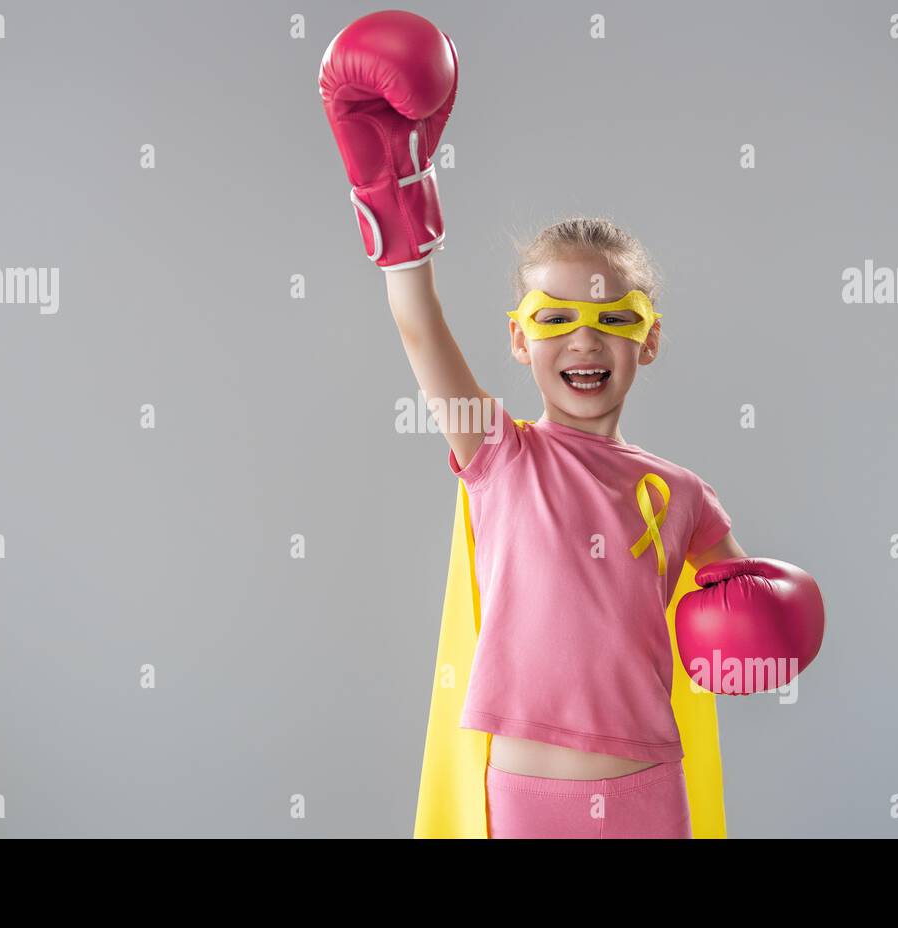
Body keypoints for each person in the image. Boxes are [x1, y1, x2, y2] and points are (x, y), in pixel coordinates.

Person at [319, 10, 823, 839]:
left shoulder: (683, 493)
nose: (584, 340)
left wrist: (770, 629)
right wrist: (392, 192)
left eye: (612, 319)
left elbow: (737, 617)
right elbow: (416, 320)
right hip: (524, 799)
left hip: (648, 791)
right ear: (518, 339)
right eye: (554, 319)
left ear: (648, 339)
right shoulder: (498, 455)